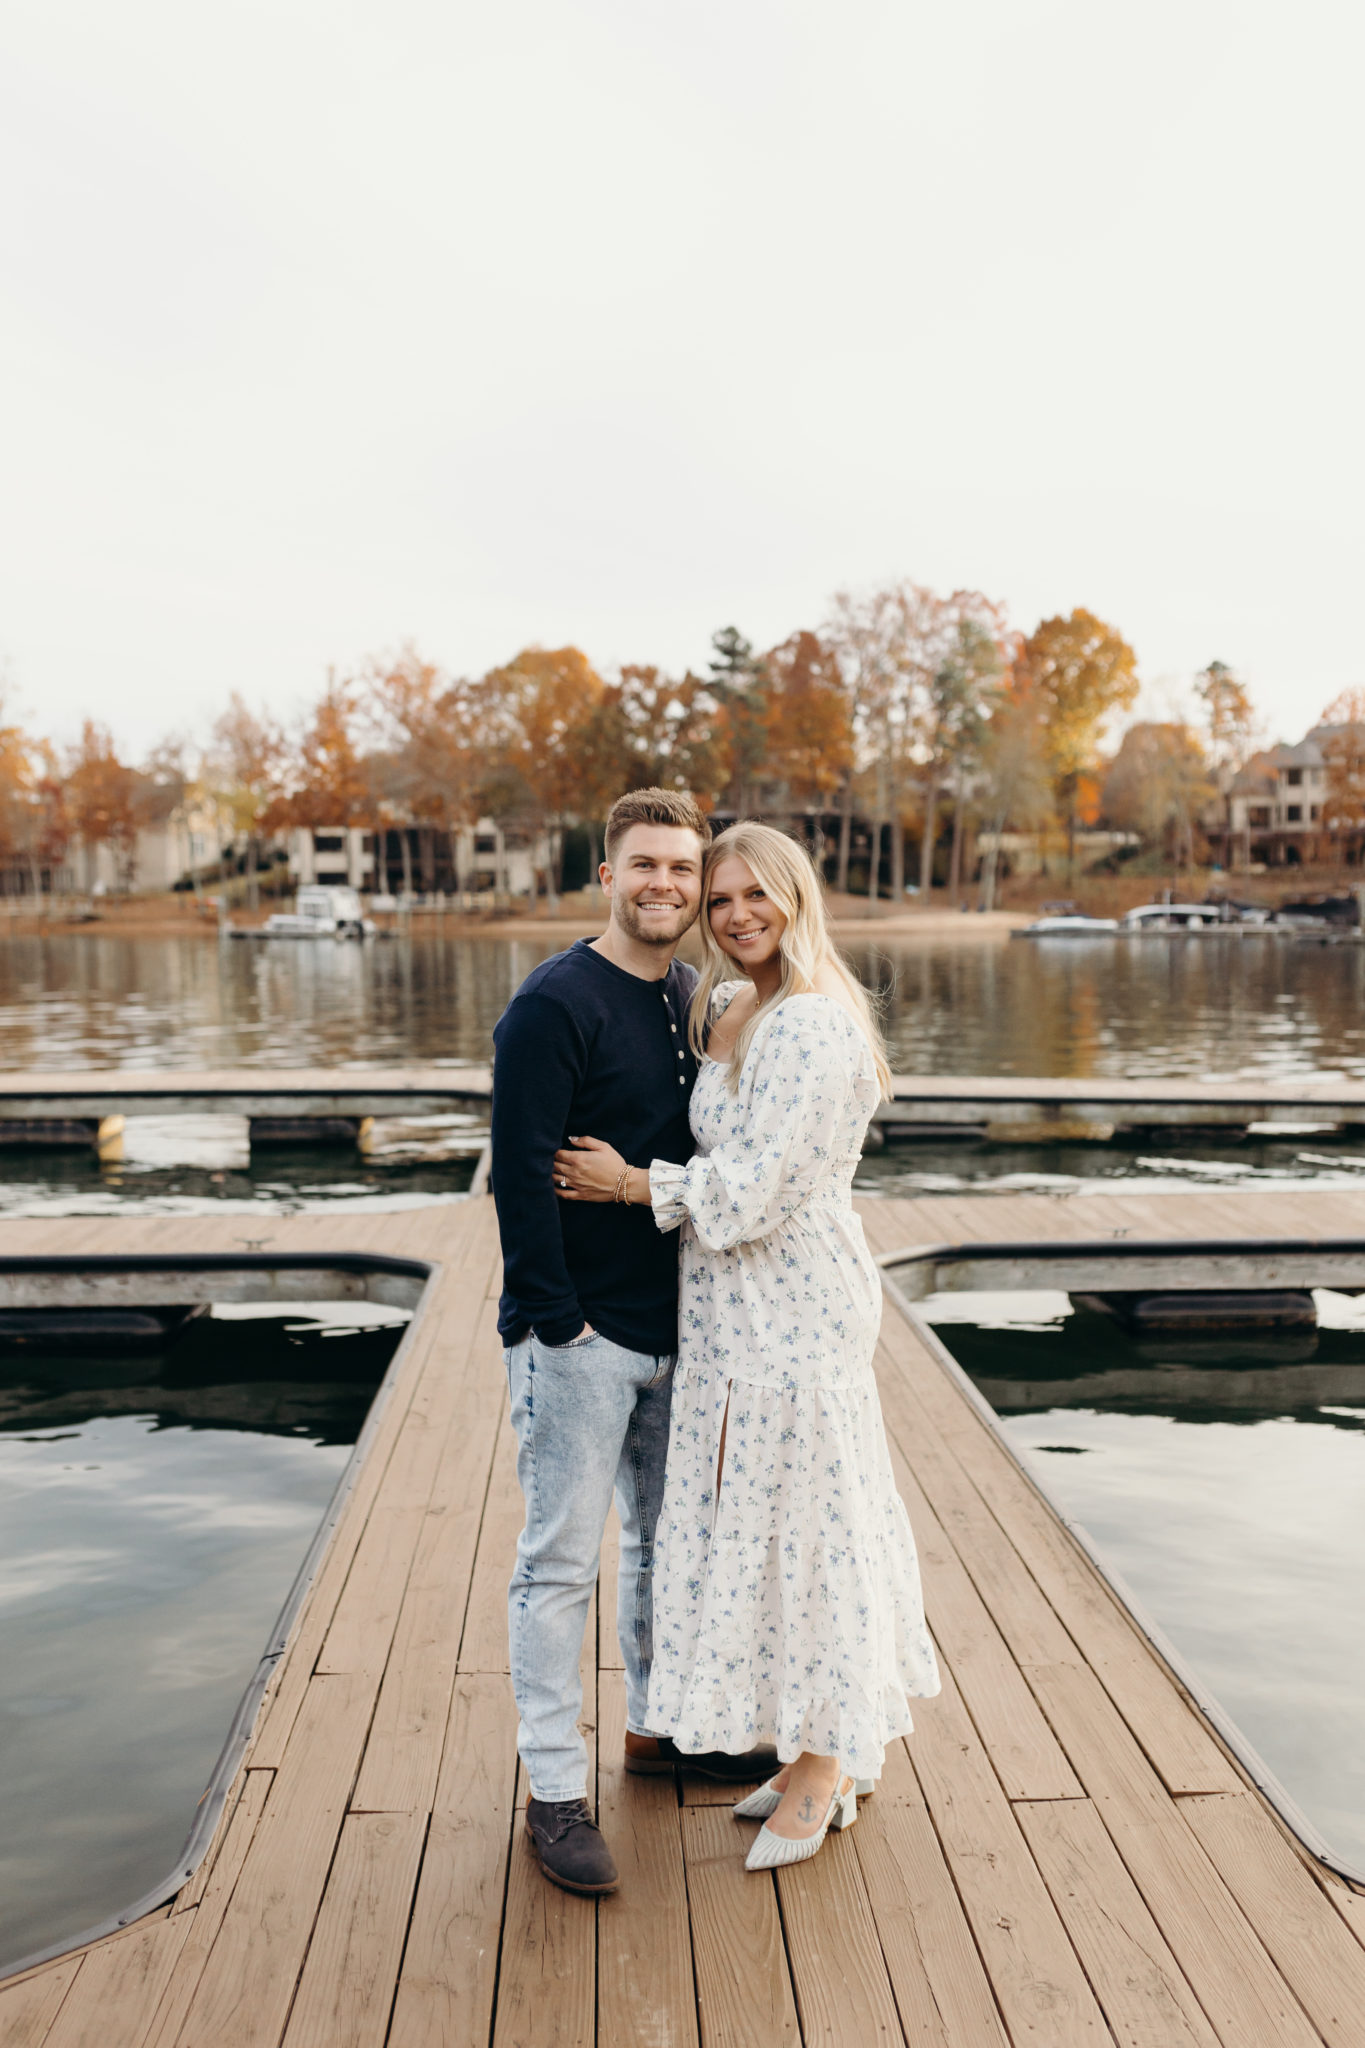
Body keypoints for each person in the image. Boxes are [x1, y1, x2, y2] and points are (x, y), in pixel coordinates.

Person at [553, 821, 940, 1871]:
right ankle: (820, 1737)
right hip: (730, 1309)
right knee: (765, 1520)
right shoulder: (733, 1006)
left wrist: (632, 1182)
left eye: (752, 895)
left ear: (794, 896)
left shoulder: (812, 1025)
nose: (734, 914)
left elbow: (759, 1186)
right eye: (719, 899)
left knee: (811, 1525)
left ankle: (831, 1759)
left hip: (794, 1304)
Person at [490, 788, 775, 1899]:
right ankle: (554, 1791)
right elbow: (519, 1180)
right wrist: (560, 1323)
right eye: (645, 864)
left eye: (684, 869)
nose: (666, 884)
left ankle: (658, 1731)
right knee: (559, 1561)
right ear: (606, 874)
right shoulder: (552, 1005)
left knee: (665, 1545)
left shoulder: (698, 997)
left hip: (682, 1336)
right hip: (584, 1338)